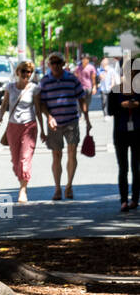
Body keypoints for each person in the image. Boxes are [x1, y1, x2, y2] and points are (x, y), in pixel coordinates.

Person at [38, 52, 90, 200]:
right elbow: (41, 103)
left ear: (63, 63)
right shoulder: (45, 81)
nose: (55, 65)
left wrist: (87, 118)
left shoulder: (72, 79)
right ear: (48, 65)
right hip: (54, 123)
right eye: (52, 62)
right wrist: (49, 117)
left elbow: (81, 98)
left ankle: (69, 186)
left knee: (72, 152)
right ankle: (57, 188)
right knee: (56, 155)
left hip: (71, 120)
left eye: (58, 62)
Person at [0, 61, 41, 203]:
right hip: (13, 126)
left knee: (24, 158)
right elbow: (4, 104)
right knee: (16, 161)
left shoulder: (34, 88)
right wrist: (0, 117)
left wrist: (44, 130)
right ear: (17, 72)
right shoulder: (10, 87)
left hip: (29, 126)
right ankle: (21, 177)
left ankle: (23, 190)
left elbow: (38, 109)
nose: (26, 74)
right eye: (23, 71)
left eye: (29, 72)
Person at [107, 66, 140, 211]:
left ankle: (135, 200)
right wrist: (122, 105)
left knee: (137, 168)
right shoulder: (115, 90)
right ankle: (123, 200)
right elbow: (110, 110)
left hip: (138, 133)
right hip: (121, 133)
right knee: (123, 168)